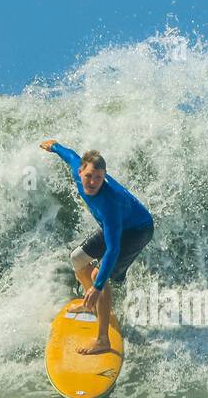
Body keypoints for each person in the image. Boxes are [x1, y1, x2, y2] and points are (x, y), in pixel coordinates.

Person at [40, 139, 154, 355]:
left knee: (97, 274)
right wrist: (54, 146)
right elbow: (70, 154)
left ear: (104, 177)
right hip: (116, 225)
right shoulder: (77, 170)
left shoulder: (110, 202)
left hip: (137, 230)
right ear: (81, 171)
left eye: (99, 178)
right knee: (77, 259)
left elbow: (113, 249)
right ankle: (90, 302)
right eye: (89, 176)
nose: (92, 182)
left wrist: (99, 285)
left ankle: (103, 340)